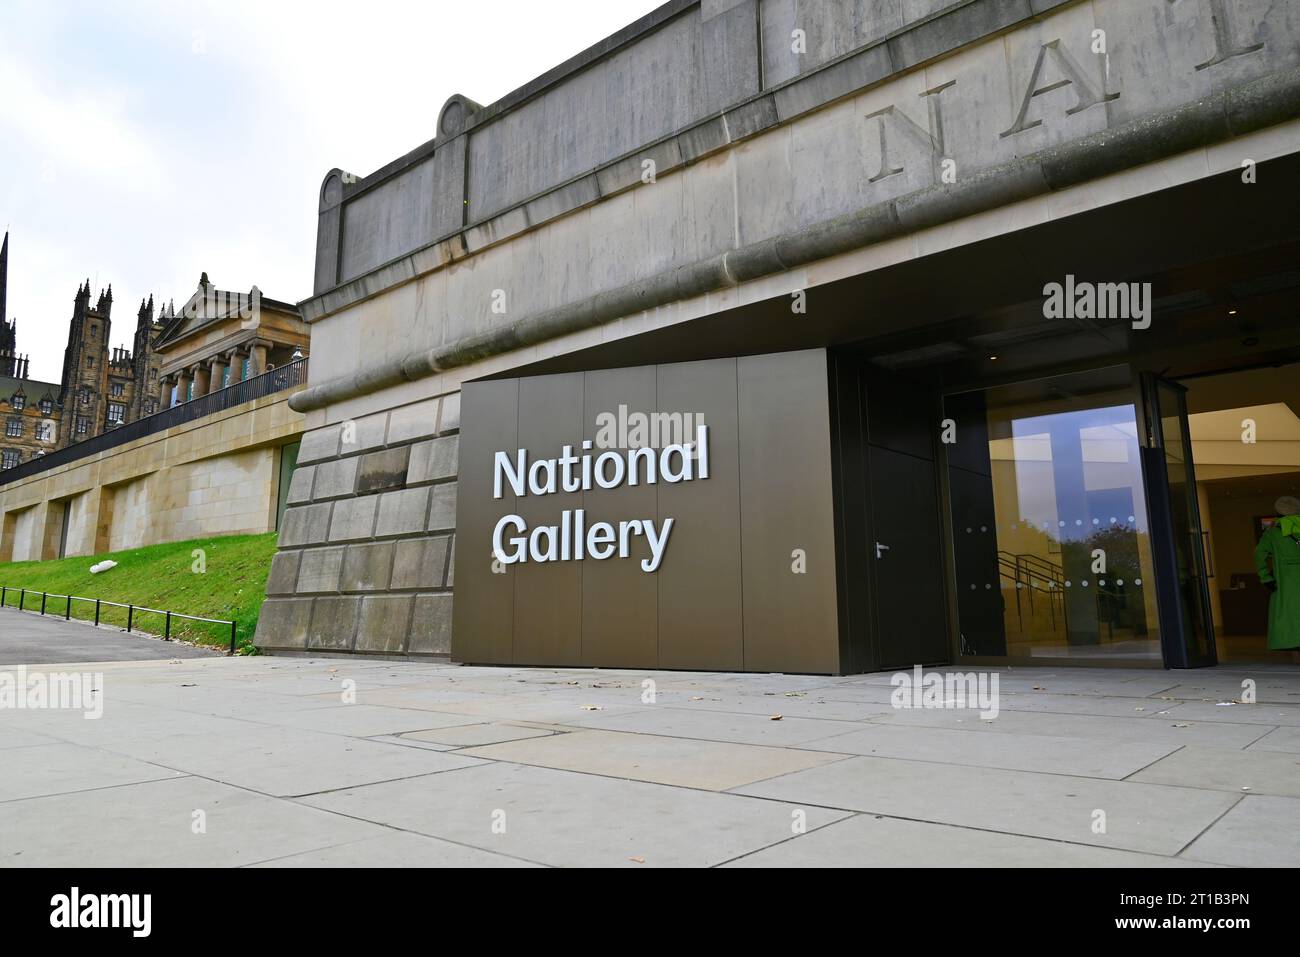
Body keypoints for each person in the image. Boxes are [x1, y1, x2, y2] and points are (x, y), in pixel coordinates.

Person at [1255, 495, 1300, 658]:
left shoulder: (1273, 533)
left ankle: (1295, 652)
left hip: (1285, 582)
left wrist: (1265, 577)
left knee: (1288, 615)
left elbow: (1259, 555)